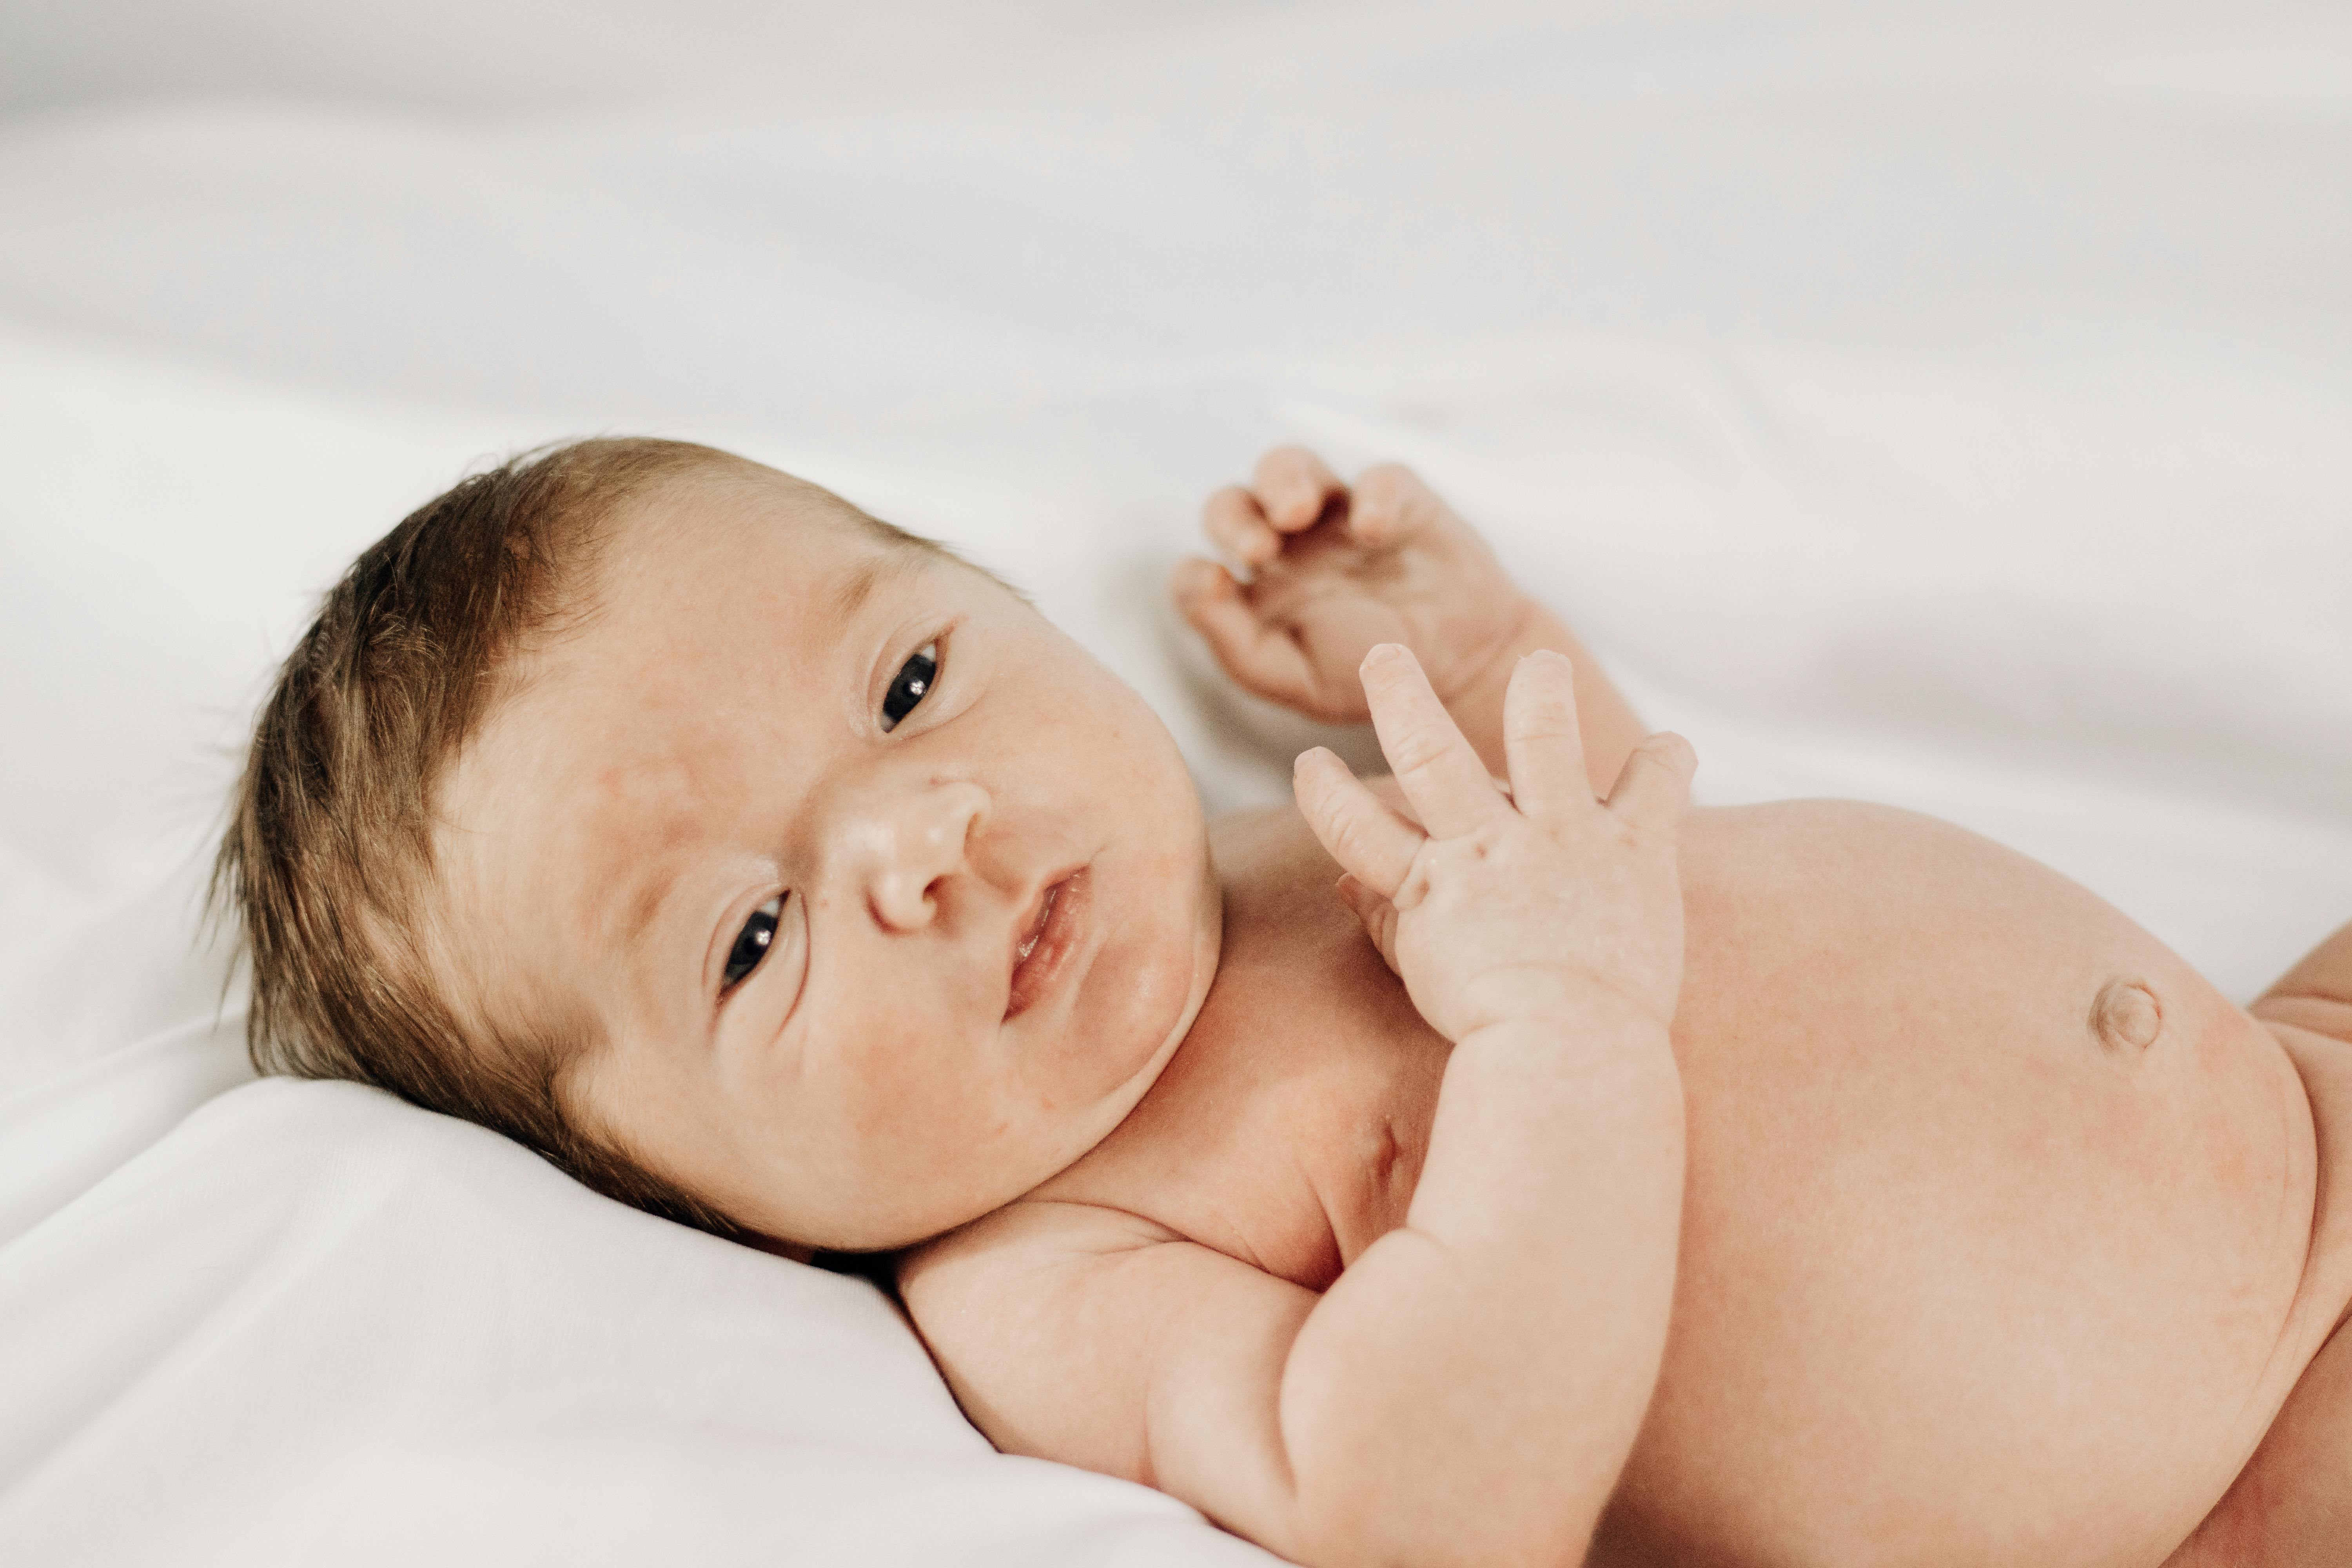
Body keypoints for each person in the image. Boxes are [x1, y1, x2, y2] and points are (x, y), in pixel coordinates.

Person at [217, 437, 2352, 1566]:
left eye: (910, 681)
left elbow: (1628, 844)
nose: (920, 835)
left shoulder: (1244, 849)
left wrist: (1476, 654)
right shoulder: (1052, 1270)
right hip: (2221, 1476)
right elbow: (1428, 1509)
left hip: (2300, 1060)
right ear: (677, 1196)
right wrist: (1557, 1037)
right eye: (753, 938)